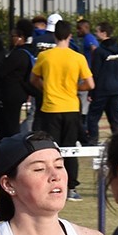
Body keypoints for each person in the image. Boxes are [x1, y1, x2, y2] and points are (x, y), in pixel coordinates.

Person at [31, 30, 94, 200]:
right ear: (69, 36)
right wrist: (75, 88)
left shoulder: (45, 56)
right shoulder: (77, 57)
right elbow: (90, 83)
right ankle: (71, 187)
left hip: (51, 107)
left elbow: (33, 79)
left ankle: (49, 185)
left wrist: (46, 87)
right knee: (70, 148)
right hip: (71, 107)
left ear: (54, 36)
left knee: (51, 150)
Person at [81, 23, 118, 144]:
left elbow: (95, 72)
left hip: (102, 89)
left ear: (104, 33)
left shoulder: (99, 51)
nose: (95, 34)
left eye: (97, 31)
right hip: (116, 88)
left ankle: (93, 139)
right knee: (115, 118)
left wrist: (91, 91)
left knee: (93, 117)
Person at [0, 23, 37, 138]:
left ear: (21, 37)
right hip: (20, 93)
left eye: (13, 36)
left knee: (11, 125)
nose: (11, 39)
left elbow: (2, 72)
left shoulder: (18, 54)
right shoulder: (28, 53)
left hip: (12, 94)